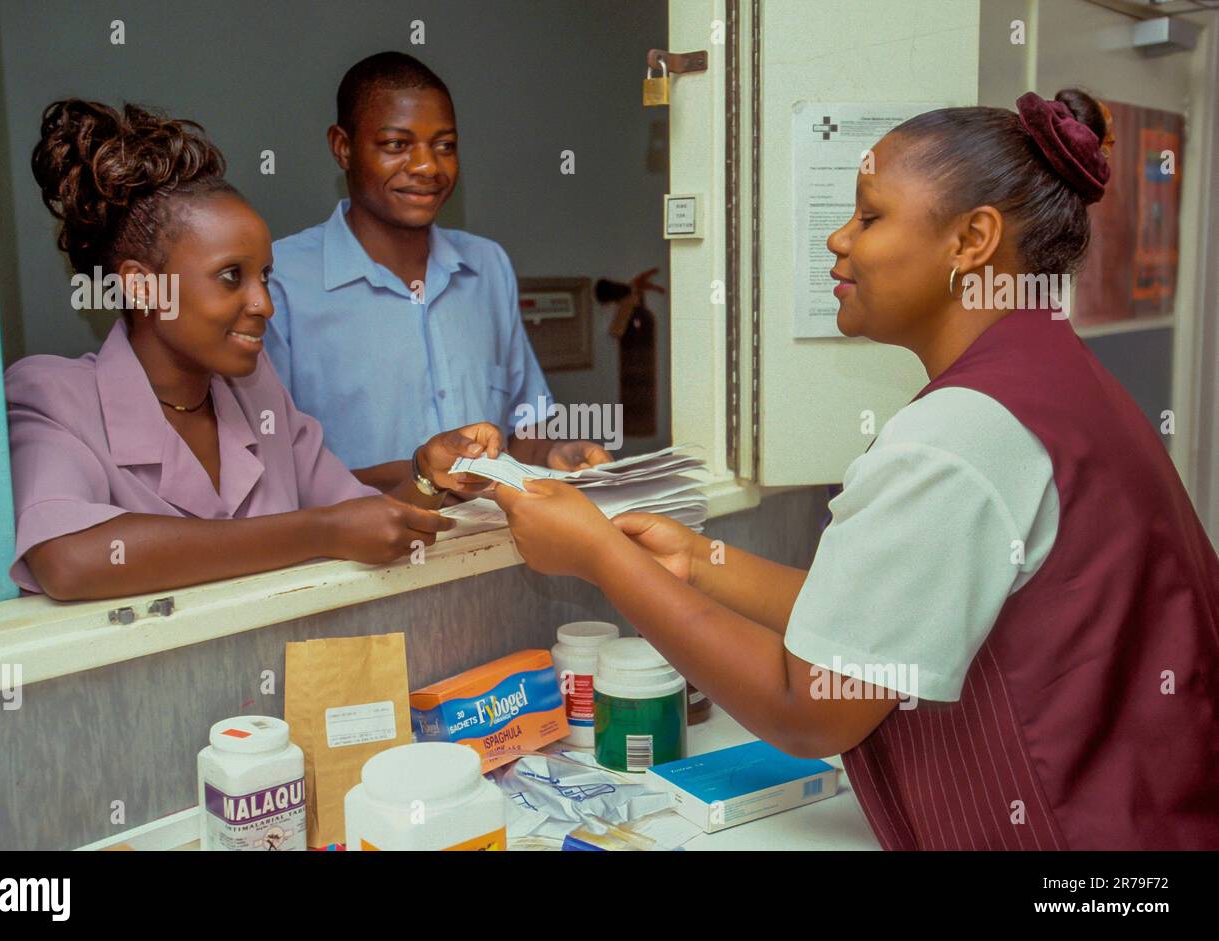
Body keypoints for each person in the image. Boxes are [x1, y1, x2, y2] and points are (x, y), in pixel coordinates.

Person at [495, 89, 1219, 850]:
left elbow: (808, 705)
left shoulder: (958, 433)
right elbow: (885, 626)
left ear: (972, 240)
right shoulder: (1051, 376)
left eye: (870, 216)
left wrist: (600, 557)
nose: (838, 240)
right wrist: (700, 563)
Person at [7, 99, 502, 601]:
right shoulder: (52, 398)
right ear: (142, 286)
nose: (263, 303)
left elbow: (359, 520)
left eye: (264, 276)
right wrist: (316, 532)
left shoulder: (254, 391)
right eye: (230, 277)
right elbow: (68, 559)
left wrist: (424, 475)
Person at [264, 52, 610, 491]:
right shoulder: (282, 280)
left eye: (444, 145)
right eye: (397, 145)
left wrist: (554, 455)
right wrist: (423, 476)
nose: (428, 166)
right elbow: (278, 476)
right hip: (359, 559)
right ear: (343, 147)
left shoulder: (487, 266)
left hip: (496, 552)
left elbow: (524, 431)